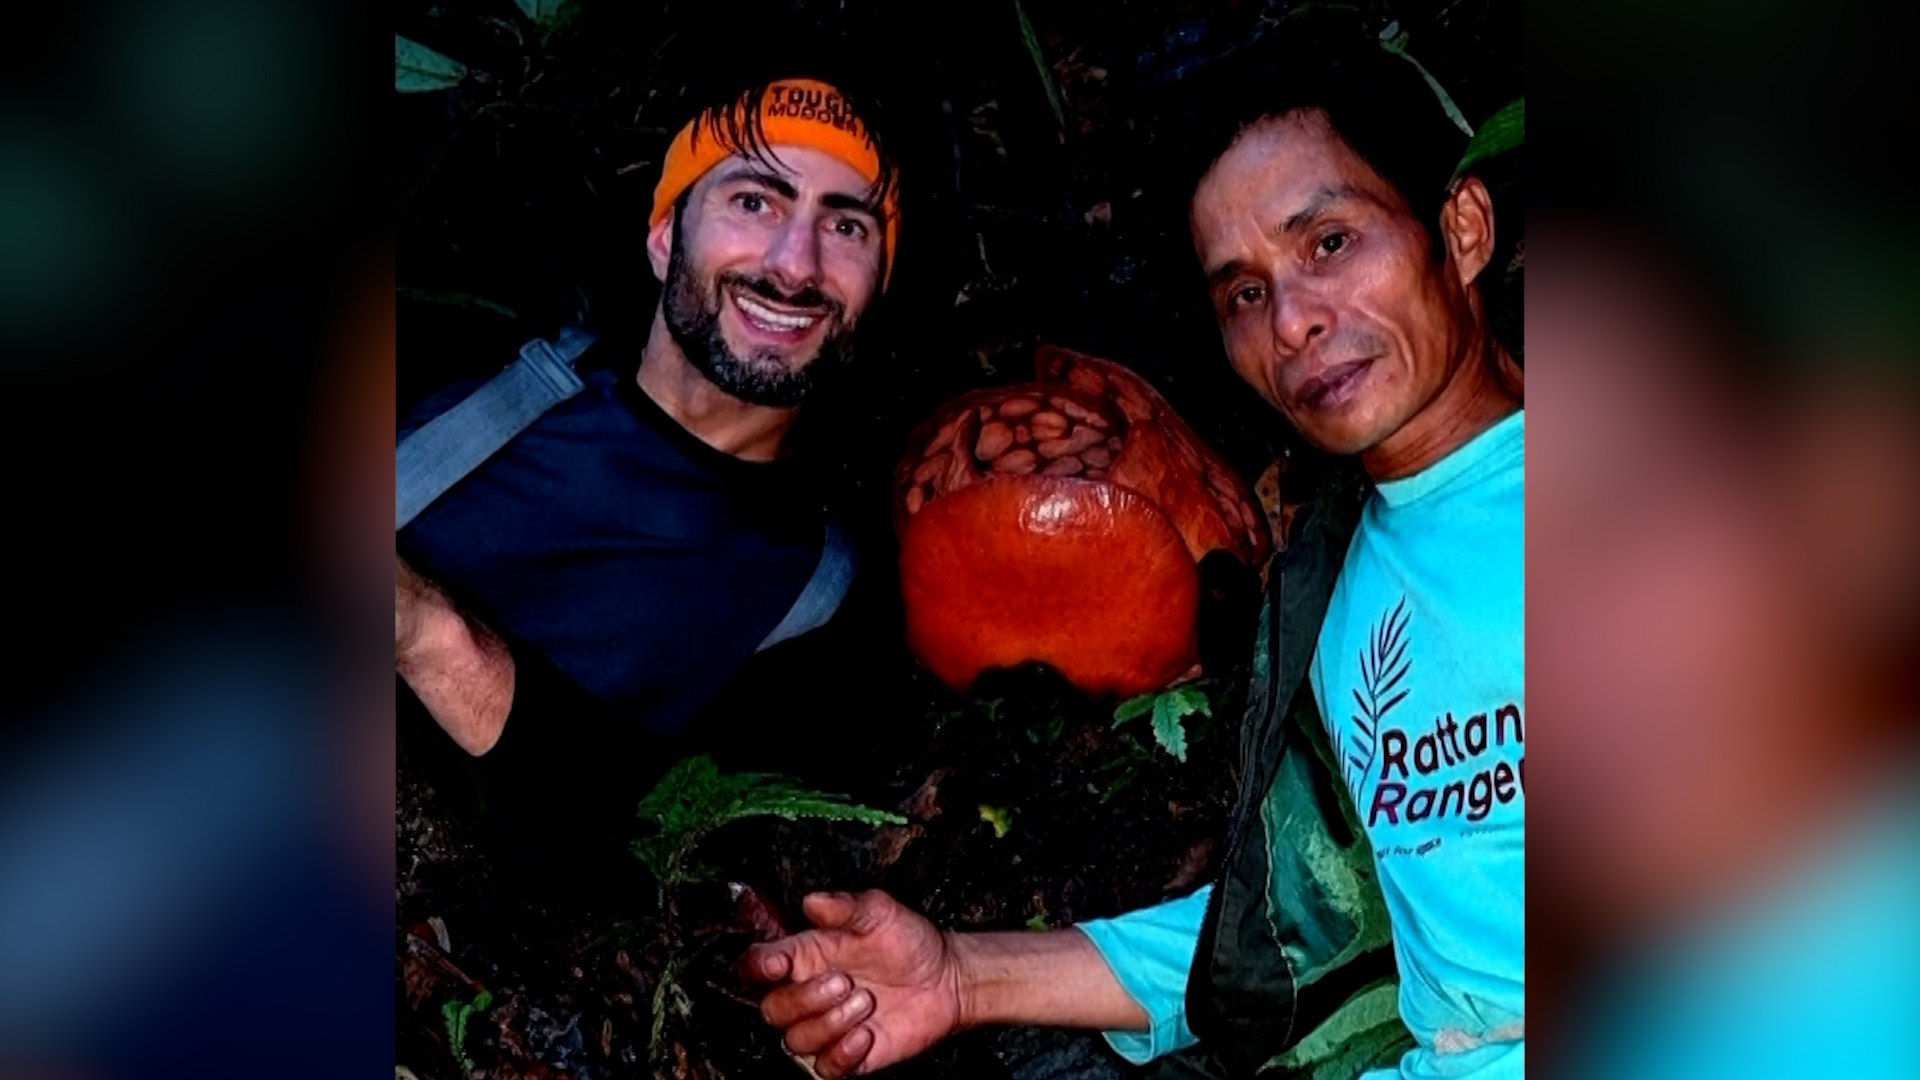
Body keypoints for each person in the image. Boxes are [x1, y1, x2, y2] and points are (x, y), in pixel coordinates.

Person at [743, 19, 1523, 1080]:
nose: (1292, 319)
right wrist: (964, 977)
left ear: (1463, 230)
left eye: (1330, 242)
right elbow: (1298, 921)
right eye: (1244, 291)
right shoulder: (1335, 595)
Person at [394, 68, 902, 857]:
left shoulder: (820, 600)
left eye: (847, 228)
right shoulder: (468, 361)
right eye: (754, 202)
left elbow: (649, 862)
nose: (795, 265)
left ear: (875, 286)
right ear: (666, 236)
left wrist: (430, 635)